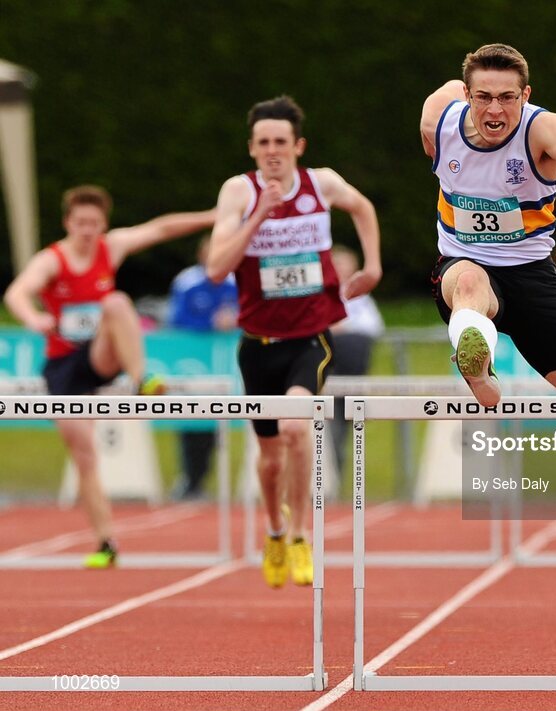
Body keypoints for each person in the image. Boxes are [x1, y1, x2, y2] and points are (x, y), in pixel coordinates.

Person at [207, 95, 381, 589]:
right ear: (252, 149)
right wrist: (259, 214)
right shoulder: (238, 194)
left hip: (310, 337)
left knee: (296, 427)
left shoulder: (320, 184)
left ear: (298, 145)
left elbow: (362, 207)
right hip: (258, 343)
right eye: (263, 143)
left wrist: (372, 265)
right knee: (269, 459)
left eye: (281, 142)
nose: (272, 151)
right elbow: (217, 266)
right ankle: (276, 530)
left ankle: (303, 532)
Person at [3, 185, 215, 568]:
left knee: (116, 302)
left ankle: (140, 379)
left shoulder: (110, 247)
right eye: (80, 223)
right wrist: (34, 318)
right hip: (65, 367)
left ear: (103, 224)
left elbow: (161, 229)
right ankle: (105, 542)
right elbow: (17, 292)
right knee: (85, 455)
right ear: (68, 222)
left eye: (94, 223)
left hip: (100, 353)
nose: (87, 230)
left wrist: (215, 216)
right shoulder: (52, 260)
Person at [420, 43, 556, 430]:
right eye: (482, 97)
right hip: (463, 265)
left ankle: (476, 352)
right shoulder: (439, 119)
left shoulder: (543, 128)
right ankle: (477, 367)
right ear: (466, 95)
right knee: (469, 280)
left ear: (525, 95)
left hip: (531, 276)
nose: (494, 110)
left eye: (506, 98)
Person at [166, 235, 239, 500]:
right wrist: (210, 323)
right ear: (201, 254)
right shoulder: (187, 283)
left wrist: (236, 321)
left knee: (218, 426)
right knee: (191, 420)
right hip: (194, 366)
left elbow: (252, 316)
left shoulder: (237, 282)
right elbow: (174, 321)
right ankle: (189, 479)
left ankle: (204, 480)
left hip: (228, 367)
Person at [327, 246, 385, 471]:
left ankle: (338, 473)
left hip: (352, 368)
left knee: (344, 426)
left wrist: (343, 327)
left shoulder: (361, 298)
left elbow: (374, 327)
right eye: (338, 264)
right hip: (326, 368)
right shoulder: (322, 293)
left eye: (346, 264)